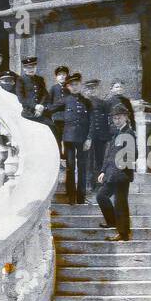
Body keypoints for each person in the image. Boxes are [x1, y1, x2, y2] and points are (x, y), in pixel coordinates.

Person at [96, 102, 137, 241]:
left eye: (119, 117)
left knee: (120, 203)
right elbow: (108, 156)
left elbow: (133, 155)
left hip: (122, 175)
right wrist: (103, 171)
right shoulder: (116, 134)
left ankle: (124, 233)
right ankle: (112, 222)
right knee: (101, 196)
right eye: (114, 118)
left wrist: (120, 167)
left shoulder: (129, 133)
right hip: (111, 174)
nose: (116, 120)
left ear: (126, 117)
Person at [50, 71, 93, 204]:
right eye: (72, 85)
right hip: (68, 139)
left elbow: (91, 121)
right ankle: (71, 197)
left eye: (77, 84)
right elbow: (50, 109)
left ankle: (81, 197)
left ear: (80, 85)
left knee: (82, 167)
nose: (74, 87)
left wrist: (89, 138)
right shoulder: (65, 100)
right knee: (70, 167)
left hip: (83, 139)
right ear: (68, 86)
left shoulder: (87, 102)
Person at [45, 65, 72, 150]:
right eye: (59, 75)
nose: (62, 77)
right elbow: (48, 103)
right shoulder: (54, 88)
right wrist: (52, 109)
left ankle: (67, 158)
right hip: (57, 118)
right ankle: (59, 158)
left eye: (64, 74)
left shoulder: (70, 88)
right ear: (56, 77)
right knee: (57, 140)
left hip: (68, 119)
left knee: (68, 140)